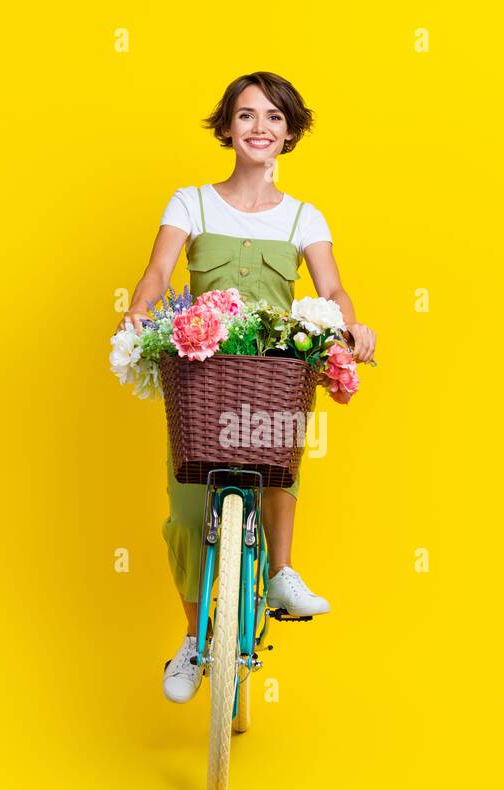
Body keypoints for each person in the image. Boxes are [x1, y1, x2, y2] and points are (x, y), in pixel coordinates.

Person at [118, 72, 377, 703]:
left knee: (277, 462)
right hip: (204, 366)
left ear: (289, 133)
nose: (259, 127)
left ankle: (282, 572)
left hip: (271, 365)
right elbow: (157, 272)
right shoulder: (192, 203)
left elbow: (332, 287)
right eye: (246, 116)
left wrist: (350, 320)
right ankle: (193, 638)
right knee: (184, 517)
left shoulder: (303, 216)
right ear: (227, 128)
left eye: (273, 118)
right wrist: (137, 312)